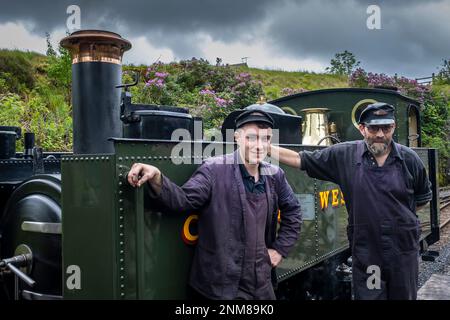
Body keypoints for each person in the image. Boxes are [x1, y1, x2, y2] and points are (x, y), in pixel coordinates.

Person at [127, 110, 302, 300]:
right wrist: (157, 177)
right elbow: (183, 200)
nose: (259, 146)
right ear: (237, 137)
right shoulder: (214, 169)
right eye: (252, 138)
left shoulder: (275, 175)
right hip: (220, 285)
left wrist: (279, 250)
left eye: (265, 139)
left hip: (260, 283)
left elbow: (293, 211)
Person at [269, 102, 432, 300]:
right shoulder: (344, 155)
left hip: (403, 252)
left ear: (393, 127)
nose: (380, 134)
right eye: (373, 128)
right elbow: (301, 160)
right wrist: (266, 148)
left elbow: (422, 198)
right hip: (369, 254)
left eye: (386, 127)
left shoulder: (409, 159)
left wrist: (396, 219)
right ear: (362, 128)